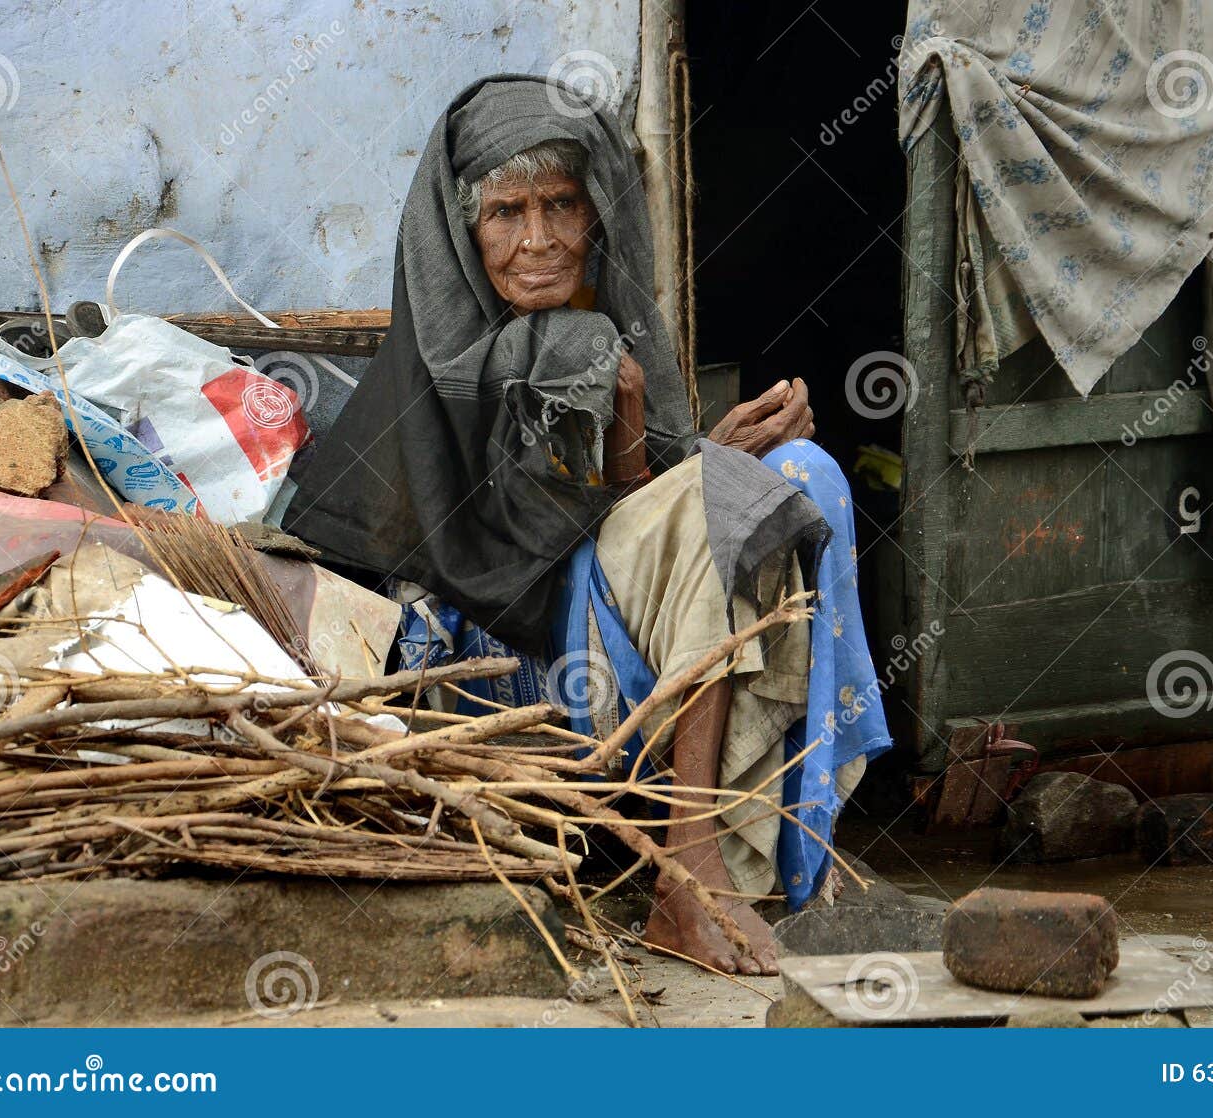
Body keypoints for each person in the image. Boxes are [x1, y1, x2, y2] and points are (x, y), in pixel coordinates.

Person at [284, 76, 890, 976]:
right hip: (508, 676)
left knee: (806, 474)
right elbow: (525, 550)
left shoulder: (610, 337)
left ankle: (800, 849)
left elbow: (631, 514)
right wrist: (698, 472)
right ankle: (689, 869)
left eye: (562, 204)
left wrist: (697, 458)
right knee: (721, 492)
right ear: (462, 230)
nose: (538, 240)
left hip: (619, 638)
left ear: (597, 212)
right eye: (505, 212)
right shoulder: (458, 364)